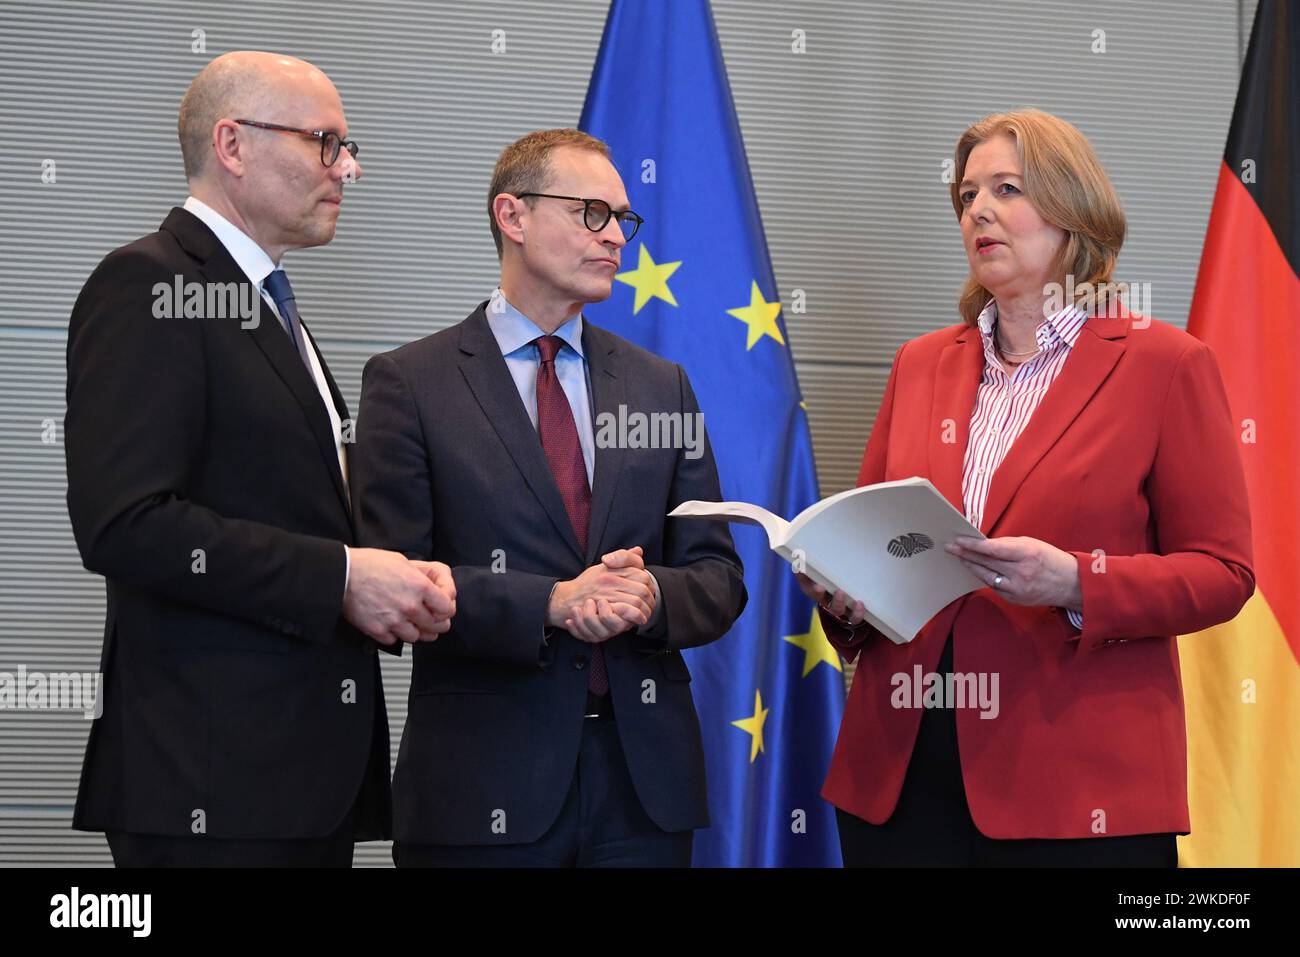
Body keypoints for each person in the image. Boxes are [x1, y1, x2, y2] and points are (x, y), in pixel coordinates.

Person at [797, 108, 1254, 867]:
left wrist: (1077, 580)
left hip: (1075, 788)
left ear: (1074, 211)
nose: (978, 209)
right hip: (902, 775)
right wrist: (846, 598)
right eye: (967, 194)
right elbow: (876, 540)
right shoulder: (920, 363)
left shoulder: (1164, 365)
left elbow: (1224, 573)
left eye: (1007, 188)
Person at [64, 51, 456, 867]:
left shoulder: (269, 302)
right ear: (233, 144)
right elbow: (127, 524)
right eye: (324, 142)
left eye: (348, 147)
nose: (346, 167)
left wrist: (397, 577)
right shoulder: (149, 283)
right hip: (208, 782)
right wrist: (344, 578)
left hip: (298, 785)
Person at [352, 128, 747, 867]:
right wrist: (552, 602)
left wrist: (650, 595)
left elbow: (720, 578)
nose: (615, 239)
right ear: (514, 216)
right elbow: (394, 590)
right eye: (591, 213)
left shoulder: (663, 386)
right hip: (479, 784)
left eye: (623, 220)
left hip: (643, 789)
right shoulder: (411, 384)